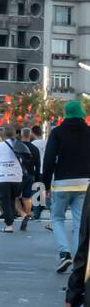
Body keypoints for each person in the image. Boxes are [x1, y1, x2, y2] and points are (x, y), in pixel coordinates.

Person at [41, 100, 90, 273]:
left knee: (57, 218)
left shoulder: (57, 132)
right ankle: (79, 262)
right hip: (85, 184)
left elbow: (48, 160)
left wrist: (45, 184)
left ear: (66, 114)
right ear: (82, 113)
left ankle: (64, 254)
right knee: (79, 223)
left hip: (62, 183)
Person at [0, 126, 24, 233]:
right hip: (17, 177)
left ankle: (9, 225)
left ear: (3, 134)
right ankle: (22, 214)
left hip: (3, 177)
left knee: (6, 201)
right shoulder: (19, 144)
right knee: (13, 199)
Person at [16, 127, 40, 230]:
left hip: (17, 176)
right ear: (30, 135)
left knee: (15, 197)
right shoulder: (35, 148)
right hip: (30, 175)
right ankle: (27, 215)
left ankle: (23, 215)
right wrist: (37, 179)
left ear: (21, 135)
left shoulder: (16, 147)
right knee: (27, 198)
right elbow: (38, 165)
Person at [30, 124, 50, 228]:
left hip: (37, 171)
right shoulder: (47, 142)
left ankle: (37, 215)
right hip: (47, 170)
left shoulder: (32, 144)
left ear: (32, 133)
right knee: (44, 192)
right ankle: (47, 211)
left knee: (36, 193)